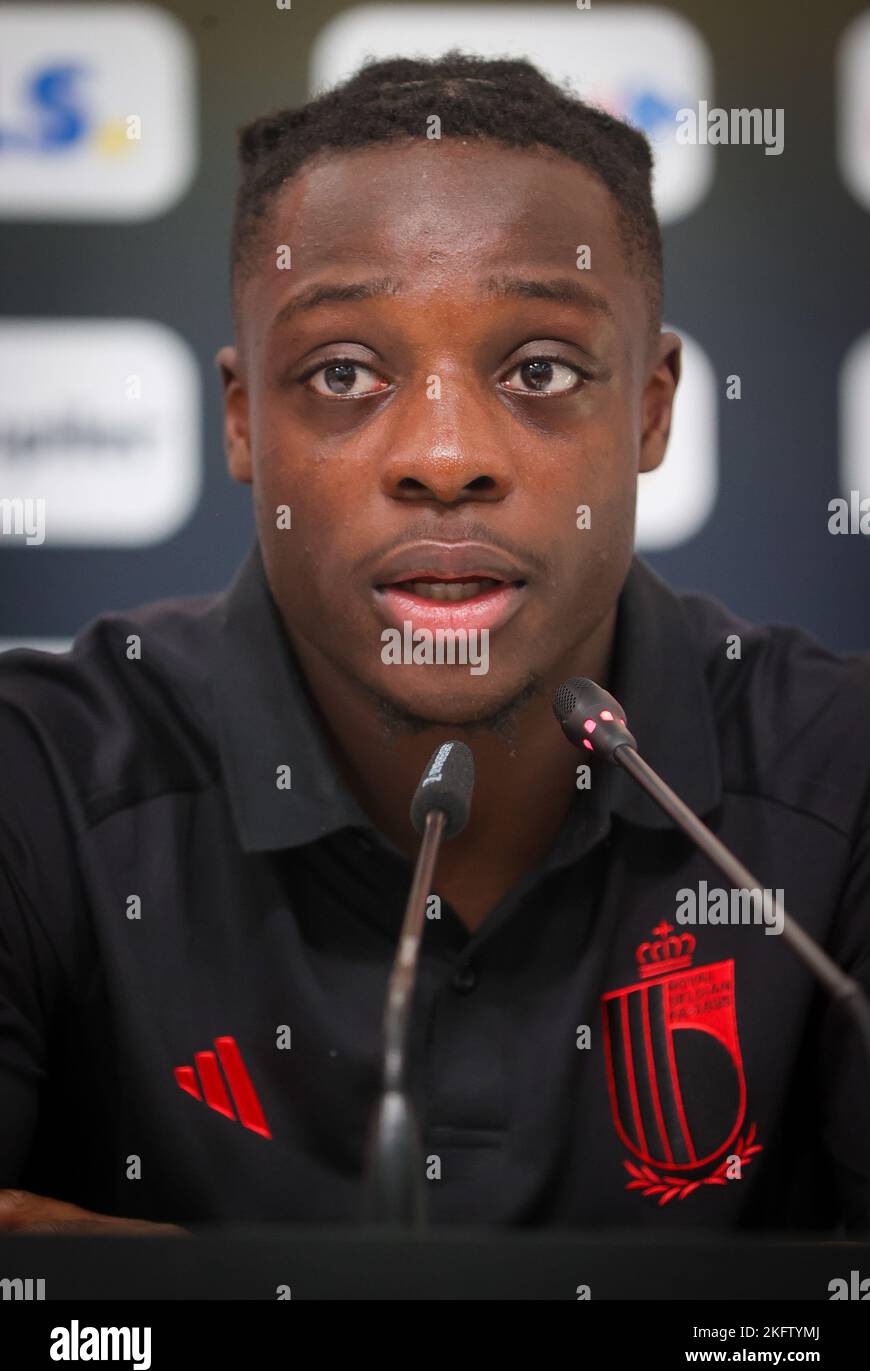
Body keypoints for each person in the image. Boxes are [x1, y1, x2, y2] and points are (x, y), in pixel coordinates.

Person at [0, 53, 868, 1237]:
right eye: (345, 372)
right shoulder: (37, 776)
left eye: (542, 368)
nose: (446, 454)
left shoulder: (844, 774)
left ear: (654, 406)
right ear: (245, 414)